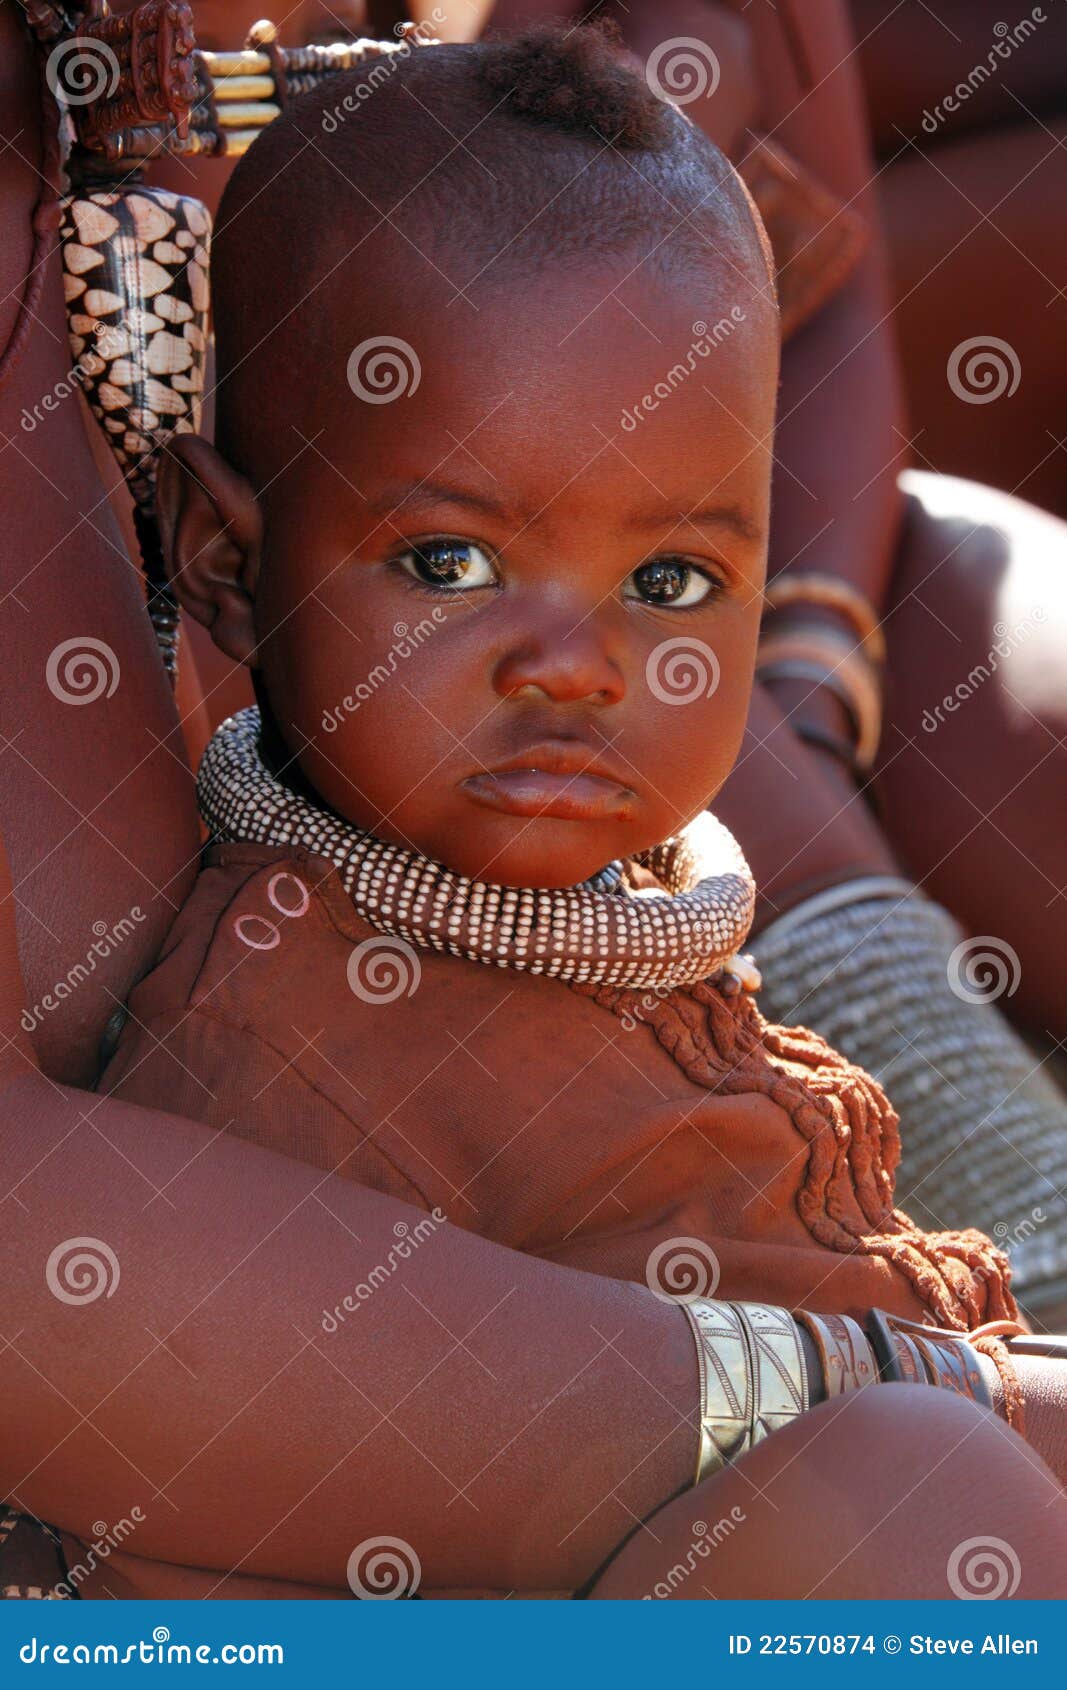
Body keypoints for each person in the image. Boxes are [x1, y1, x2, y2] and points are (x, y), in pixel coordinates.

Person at [2, 3, 1066, 1604]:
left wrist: (794, 693)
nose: (576, 667)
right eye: (449, 567)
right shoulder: (299, 1041)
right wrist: (913, 1394)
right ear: (225, 562)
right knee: (917, 1506)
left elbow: (821, 297)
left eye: (668, 578)